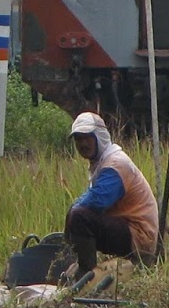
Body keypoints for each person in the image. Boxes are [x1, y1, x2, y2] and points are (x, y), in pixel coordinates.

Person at [62, 110, 158, 281]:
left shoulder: (115, 165)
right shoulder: (104, 162)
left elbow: (96, 202)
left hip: (139, 236)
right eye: (78, 139)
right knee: (78, 214)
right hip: (130, 229)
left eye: (87, 137)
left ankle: (86, 277)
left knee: (79, 216)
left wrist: (71, 215)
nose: (83, 143)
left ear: (100, 136)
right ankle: (81, 267)